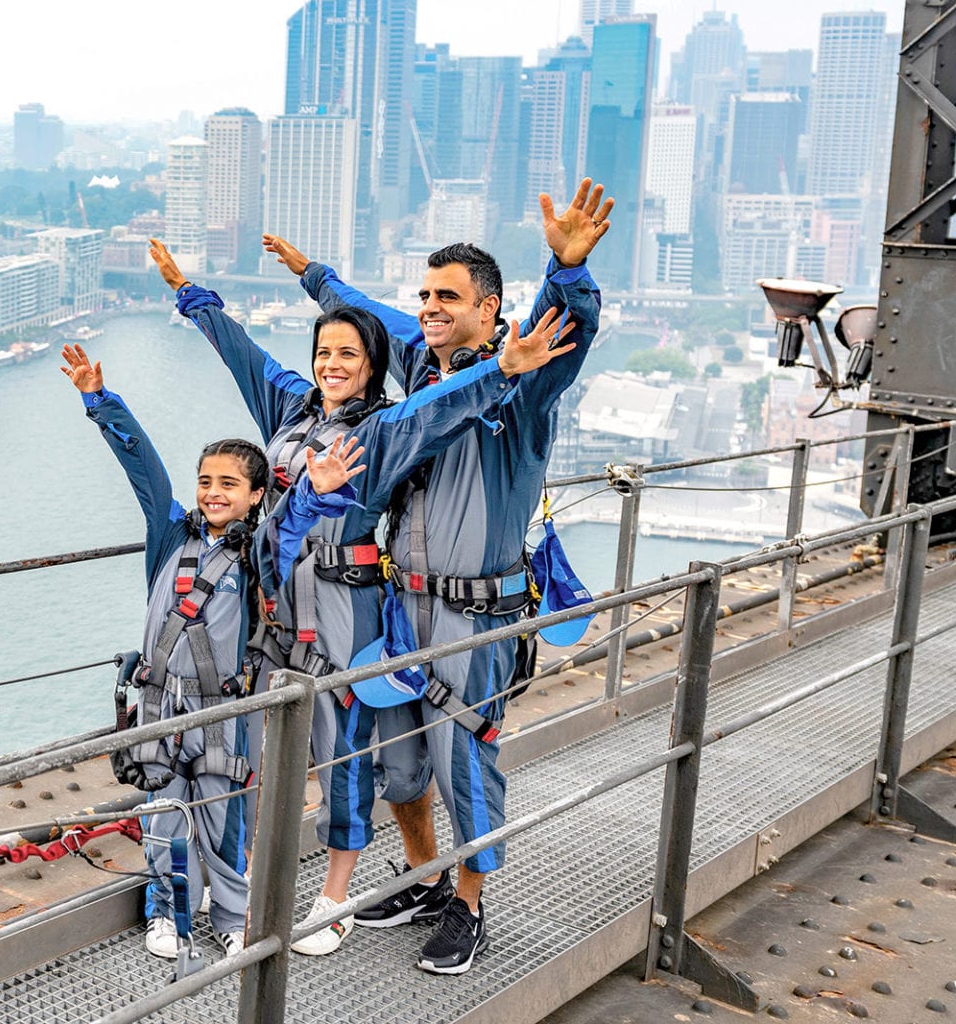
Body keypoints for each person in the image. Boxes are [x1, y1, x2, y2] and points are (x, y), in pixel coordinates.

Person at [149, 238, 578, 961]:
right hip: (286, 608)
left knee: (360, 753)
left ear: (375, 367)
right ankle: (387, 878)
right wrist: (195, 296)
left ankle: (369, 895)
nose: (333, 364)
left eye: (350, 354)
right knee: (358, 761)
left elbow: (434, 409)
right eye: (325, 352)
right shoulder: (292, 407)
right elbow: (246, 354)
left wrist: (509, 358)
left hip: (361, 608)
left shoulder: (381, 429)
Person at [260, 178, 612, 974]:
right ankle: (425, 877)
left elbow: (571, 332)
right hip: (399, 607)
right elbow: (365, 310)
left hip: (474, 613)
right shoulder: (419, 369)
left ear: (490, 310)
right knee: (403, 761)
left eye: (448, 296)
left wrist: (567, 275)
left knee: (465, 760)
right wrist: (312, 274)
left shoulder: (523, 381)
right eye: (424, 293)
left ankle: (470, 903)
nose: (429, 306)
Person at [61, 340, 363, 961]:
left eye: (229, 483)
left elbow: (291, 522)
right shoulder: (171, 534)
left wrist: (315, 490)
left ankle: (230, 915)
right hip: (160, 705)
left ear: (257, 495)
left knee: (226, 819)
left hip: (224, 709)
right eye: (206, 481)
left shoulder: (258, 554)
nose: (213, 492)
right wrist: (101, 401)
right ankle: (166, 913)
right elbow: (144, 473)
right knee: (164, 814)